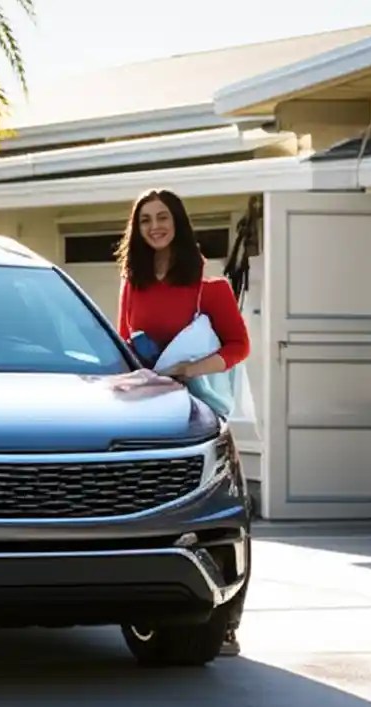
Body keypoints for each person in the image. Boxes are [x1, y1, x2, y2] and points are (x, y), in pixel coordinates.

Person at [114, 187, 251, 656]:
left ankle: (226, 624)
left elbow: (238, 346)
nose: (155, 226)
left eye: (163, 217)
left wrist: (191, 368)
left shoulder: (208, 288)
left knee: (226, 514)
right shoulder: (132, 284)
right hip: (146, 413)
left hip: (199, 411)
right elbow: (124, 342)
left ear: (178, 223)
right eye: (146, 219)